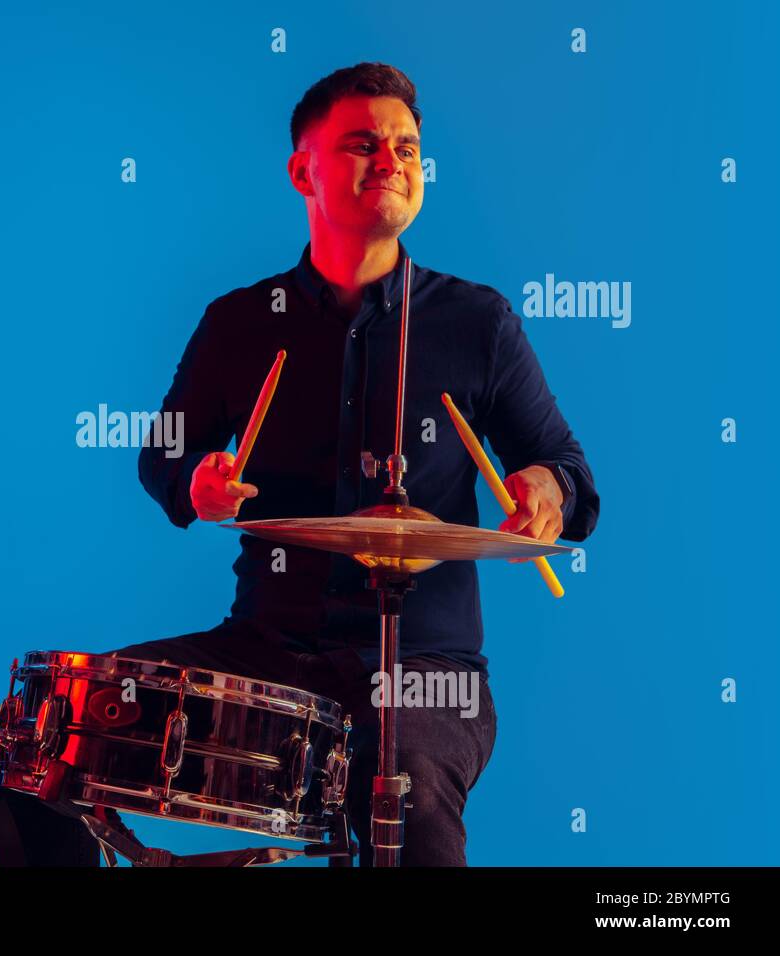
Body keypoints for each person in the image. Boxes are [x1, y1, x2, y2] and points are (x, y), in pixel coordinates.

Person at [105, 62, 600, 866]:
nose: (393, 161)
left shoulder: (477, 322)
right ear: (304, 169)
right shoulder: (239, 321)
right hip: (263, 649)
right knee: (76, 718)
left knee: (400, 775)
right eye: (364, 144)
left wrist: (545, 487)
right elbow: (163, 453)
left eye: (407, 147)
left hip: (424, 671)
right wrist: (193, 479)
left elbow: (567, 470)